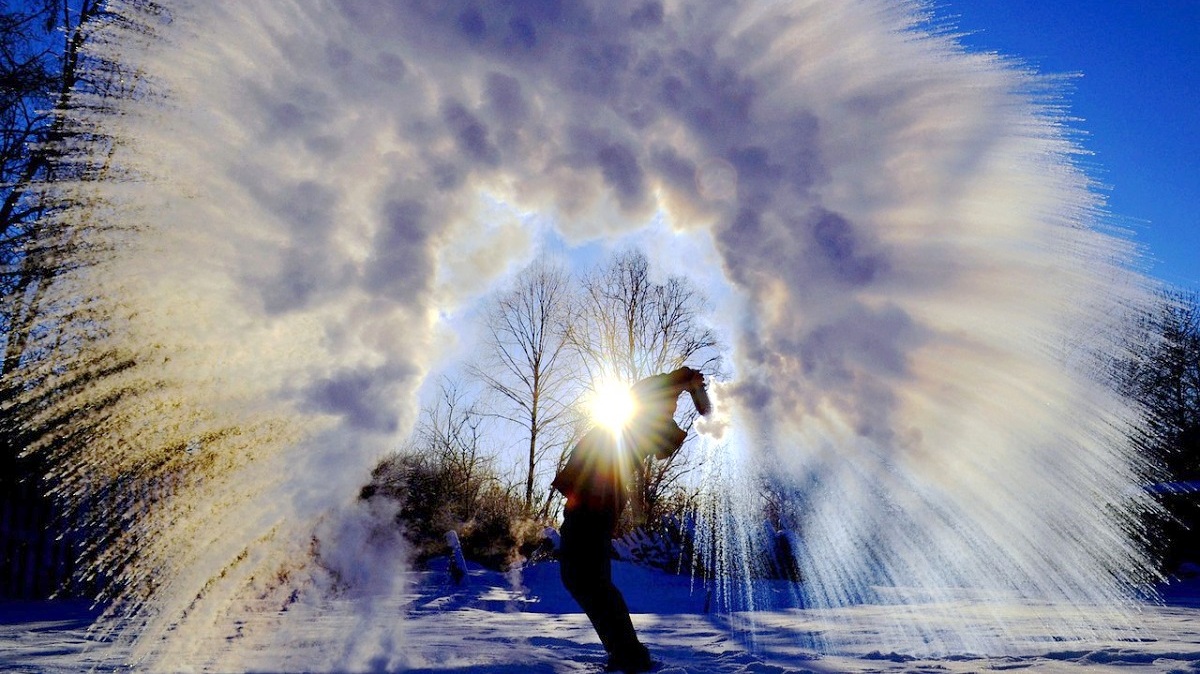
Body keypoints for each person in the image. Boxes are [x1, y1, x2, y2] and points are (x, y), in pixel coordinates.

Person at [552, 366, 710, 673]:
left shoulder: (640, 425)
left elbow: (646, 393)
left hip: (594, 503)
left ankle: (629, 655)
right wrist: (686, 381)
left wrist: (685, 379)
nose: (671, 406)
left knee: (586, 580)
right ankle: (626, 652)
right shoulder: (636, 423)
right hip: (591, 502)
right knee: (586, 580)